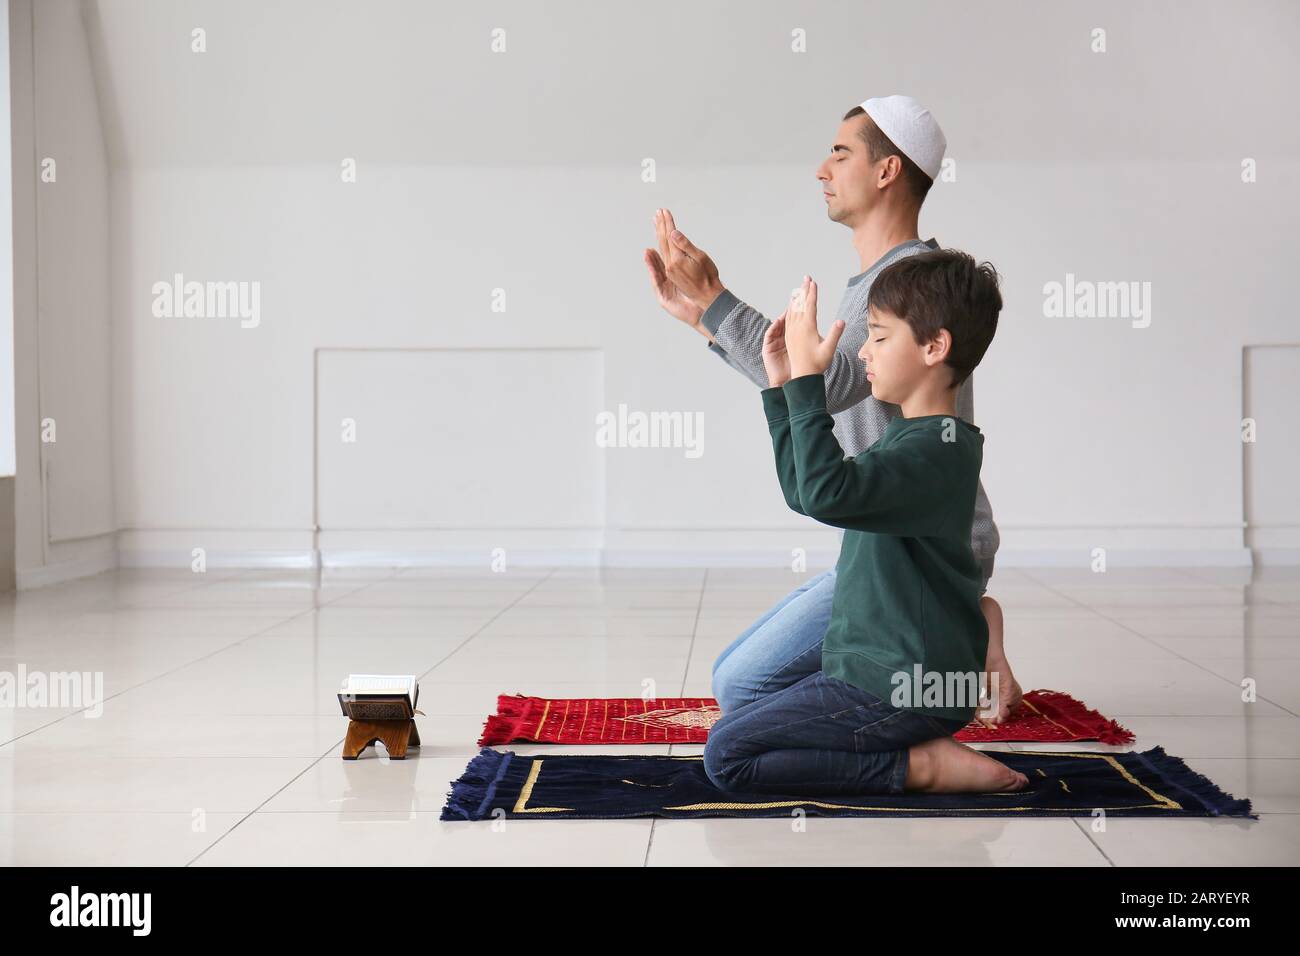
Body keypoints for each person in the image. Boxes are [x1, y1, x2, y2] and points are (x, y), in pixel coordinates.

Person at [644, 95, 1021, 723]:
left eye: (840, 153)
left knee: (741, 693)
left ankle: (945, 657)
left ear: (887, 171)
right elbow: (811, 376)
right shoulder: (894, 276)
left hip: (915, 557)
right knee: (734, 678)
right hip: (894, 544)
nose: (822, 169)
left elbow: (829, 378)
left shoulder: (910, 277)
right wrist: (706, 318)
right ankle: (963, 629)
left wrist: (715, 300)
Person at [702, 250, 1029, 796]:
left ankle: (918, 767)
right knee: (743, 709)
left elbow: (828, 493)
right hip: (884, 675)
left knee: (726, 755)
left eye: (878, 336)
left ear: (934, 347)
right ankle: (918, 736)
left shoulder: (936, 450)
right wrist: (783, 388)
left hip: (901, 689)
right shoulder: (913, 435)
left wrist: (809, 381)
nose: (862, 351)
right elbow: (808, 496)